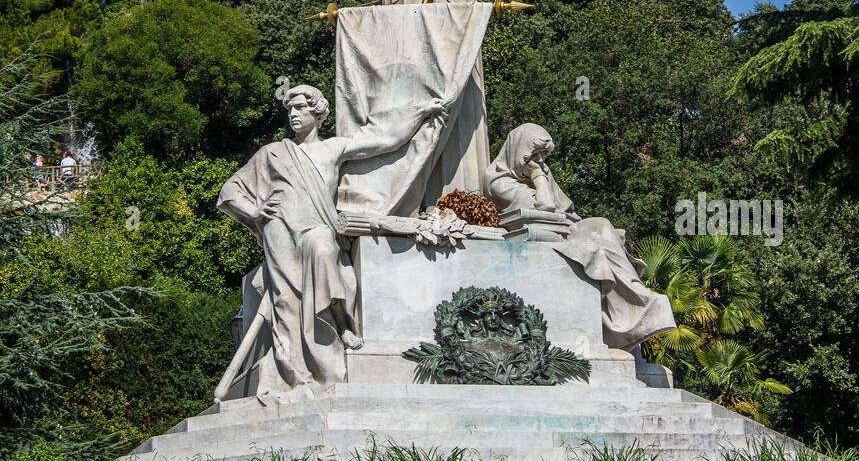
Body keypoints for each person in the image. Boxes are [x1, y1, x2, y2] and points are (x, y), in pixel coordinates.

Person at [218, 83, 447, 397]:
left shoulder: (332, 149)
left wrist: (420, 112)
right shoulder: (272, 153)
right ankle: (297, 375)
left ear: (317, 112)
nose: (293, 115)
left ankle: (340, 324)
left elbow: (386, 140)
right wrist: (256, 211)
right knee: (286, 300)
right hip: (279, 229)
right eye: (290, 109)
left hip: (317, 228)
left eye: (300, 108)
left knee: (324, 246)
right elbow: (230, 192)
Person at [486, 124, 675, 351]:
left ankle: (638, 299)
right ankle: (636, 308)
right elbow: (545, 205)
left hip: (562, 228)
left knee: (603, 227)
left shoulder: (540, 170)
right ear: (518, 150)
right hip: (538, 232)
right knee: (596, 242)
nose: (539, 161)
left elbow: (565, 210)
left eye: (543, 156)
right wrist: (537, 175)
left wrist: (540, 174)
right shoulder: (498, 179)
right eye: (534, 155)